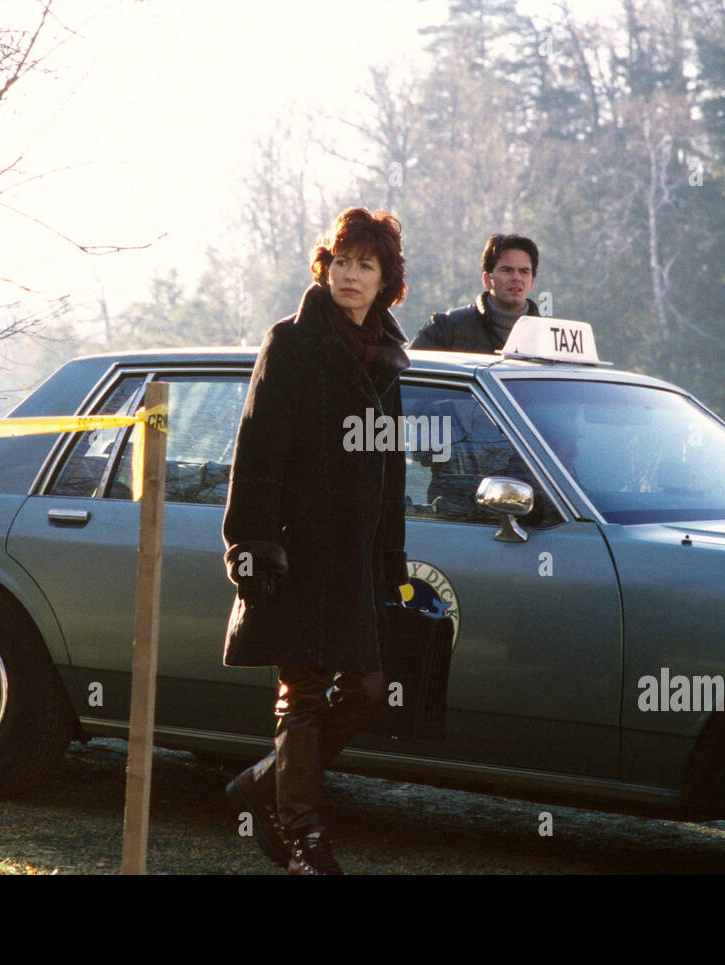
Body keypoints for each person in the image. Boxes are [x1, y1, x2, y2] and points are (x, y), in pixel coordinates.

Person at [221, 207, 411, 875]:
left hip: (354, 558)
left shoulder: (388, 356)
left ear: (387, 278)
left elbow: (392, 469)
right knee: (301, 691)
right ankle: (305, 839)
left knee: (368, 687)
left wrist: (393, 559)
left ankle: (261, 784)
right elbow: (258, 449)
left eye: (365, 264)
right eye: (340, 260)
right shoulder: (292, 343)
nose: (349, 274)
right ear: (324, 266)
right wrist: (250, 544)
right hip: (294, 550)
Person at [411, 233, 541, 352]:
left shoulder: (549, 336)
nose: (516, 278)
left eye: (524, 271)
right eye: (506, 270)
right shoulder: (446, 329)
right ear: (487, 279)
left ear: (532, 283)